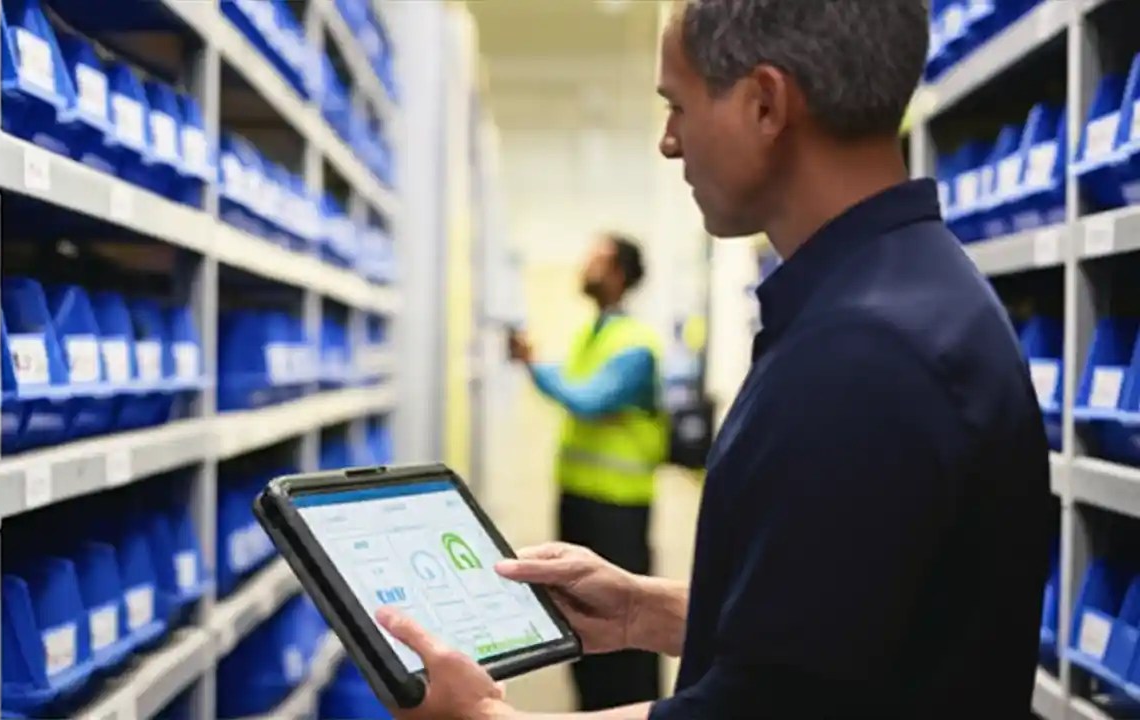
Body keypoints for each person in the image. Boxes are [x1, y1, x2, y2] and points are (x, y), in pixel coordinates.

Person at [376, 1, 1054, 718]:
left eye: (678, 105)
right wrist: (645, 611)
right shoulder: (909, 292)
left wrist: (483, 718)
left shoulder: (863, 355)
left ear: (765, 104)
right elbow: (851, 631)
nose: (669, 142)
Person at [506, 233, 666, 711]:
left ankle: (631, 708)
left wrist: (534, 363)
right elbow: (571, 383)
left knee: (624, 622)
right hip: (580, 498)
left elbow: (588, 399)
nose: (583, 265)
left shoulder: (635, 345)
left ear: (618, 272)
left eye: (595, 258)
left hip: (618, 506)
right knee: (578, 617)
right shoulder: (593, 332)